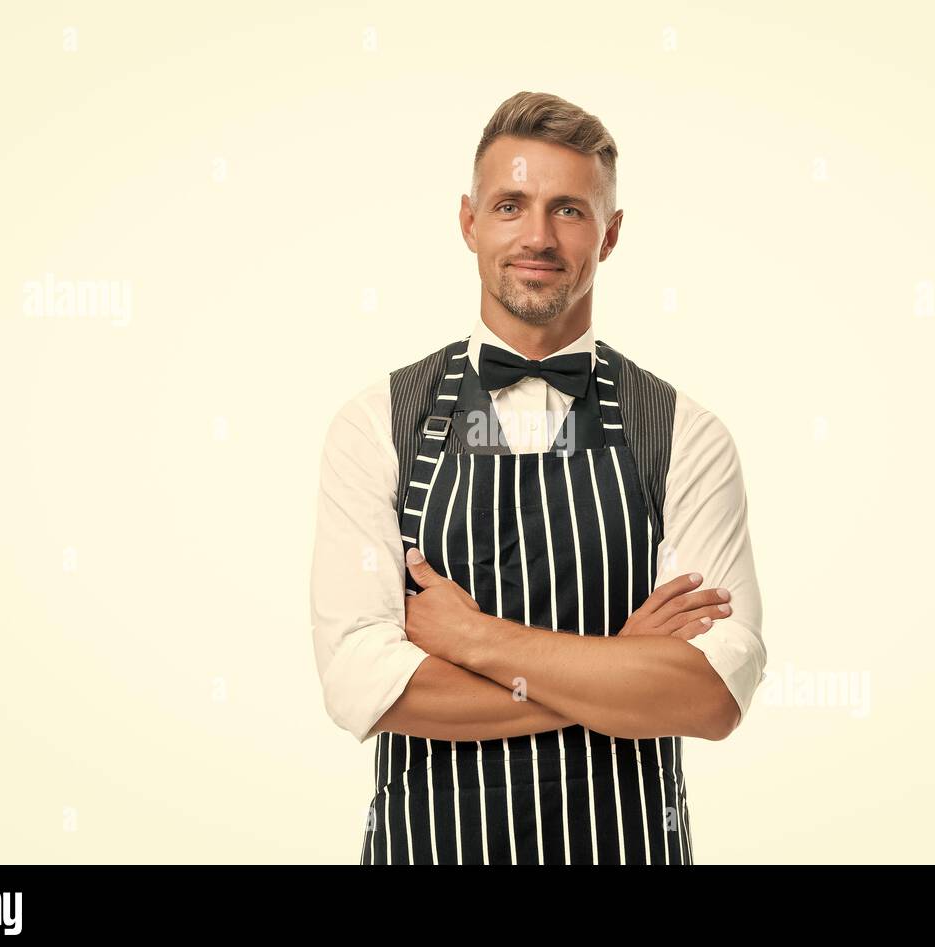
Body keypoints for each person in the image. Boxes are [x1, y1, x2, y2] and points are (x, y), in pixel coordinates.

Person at [310, 91, 765, 865]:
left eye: (569, 210)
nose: (537, 236)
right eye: (511, 204)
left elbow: (713, 691)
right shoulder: (377, 425)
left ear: (611, 233)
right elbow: (362, 684)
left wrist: (472, 639)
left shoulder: (686, 434)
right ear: (469, 222)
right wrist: (618, 666)